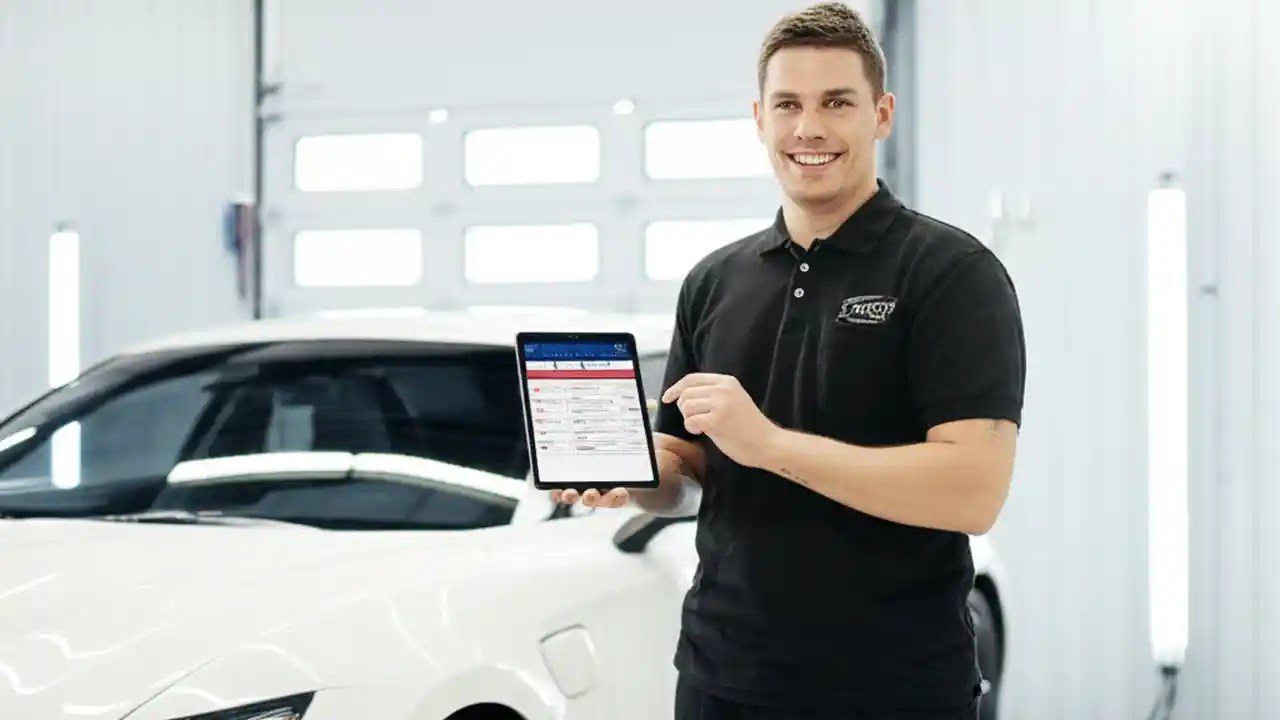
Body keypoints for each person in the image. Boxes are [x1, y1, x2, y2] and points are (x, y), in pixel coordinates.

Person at [552, 2, 1025, 718]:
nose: (809, 128)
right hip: (721, 679)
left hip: (891, 686)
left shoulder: (951, 273)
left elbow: (973, 491)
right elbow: (689, 474)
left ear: (881, 113)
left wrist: (769, 445)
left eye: (837, 102)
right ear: (760, 119)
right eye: (789, 105)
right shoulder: (714, 281)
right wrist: (636, 473)